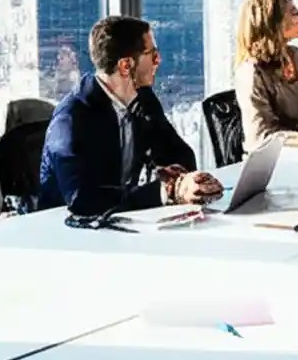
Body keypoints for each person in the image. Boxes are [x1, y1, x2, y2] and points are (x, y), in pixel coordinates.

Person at [40, 16, 222, 216]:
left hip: (123, 221)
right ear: (126, 65)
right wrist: (164, 191)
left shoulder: (142, 99)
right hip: (67, 233)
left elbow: (181, 154)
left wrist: (184, 179)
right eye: (152, 54)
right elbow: (82, 200)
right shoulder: (71, 118)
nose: (158, 61)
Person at [234, 0, 298, 153]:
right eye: (292, 12)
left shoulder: (297, 56)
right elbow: (261, 137)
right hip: (271, 162)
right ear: (273, 22)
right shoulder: (251, 72)